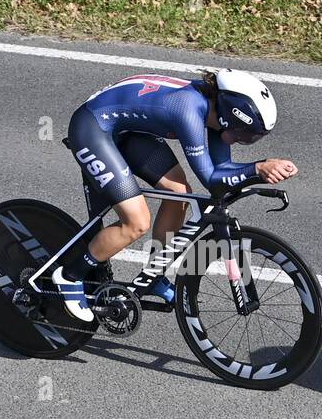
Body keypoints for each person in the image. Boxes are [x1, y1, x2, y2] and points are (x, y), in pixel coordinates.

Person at [52, 68, 298, 320]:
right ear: (231, 114)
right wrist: (258, 168)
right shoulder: (187, 110)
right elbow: (212, 180)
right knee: (136, 223)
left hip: (125, 129)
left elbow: (223, 170)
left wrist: (261, 168)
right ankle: (69, 276)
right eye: (244, 133)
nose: (239, 139)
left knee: (179, 194)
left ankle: (154, 274)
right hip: (93, 127)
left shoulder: (216, 111)